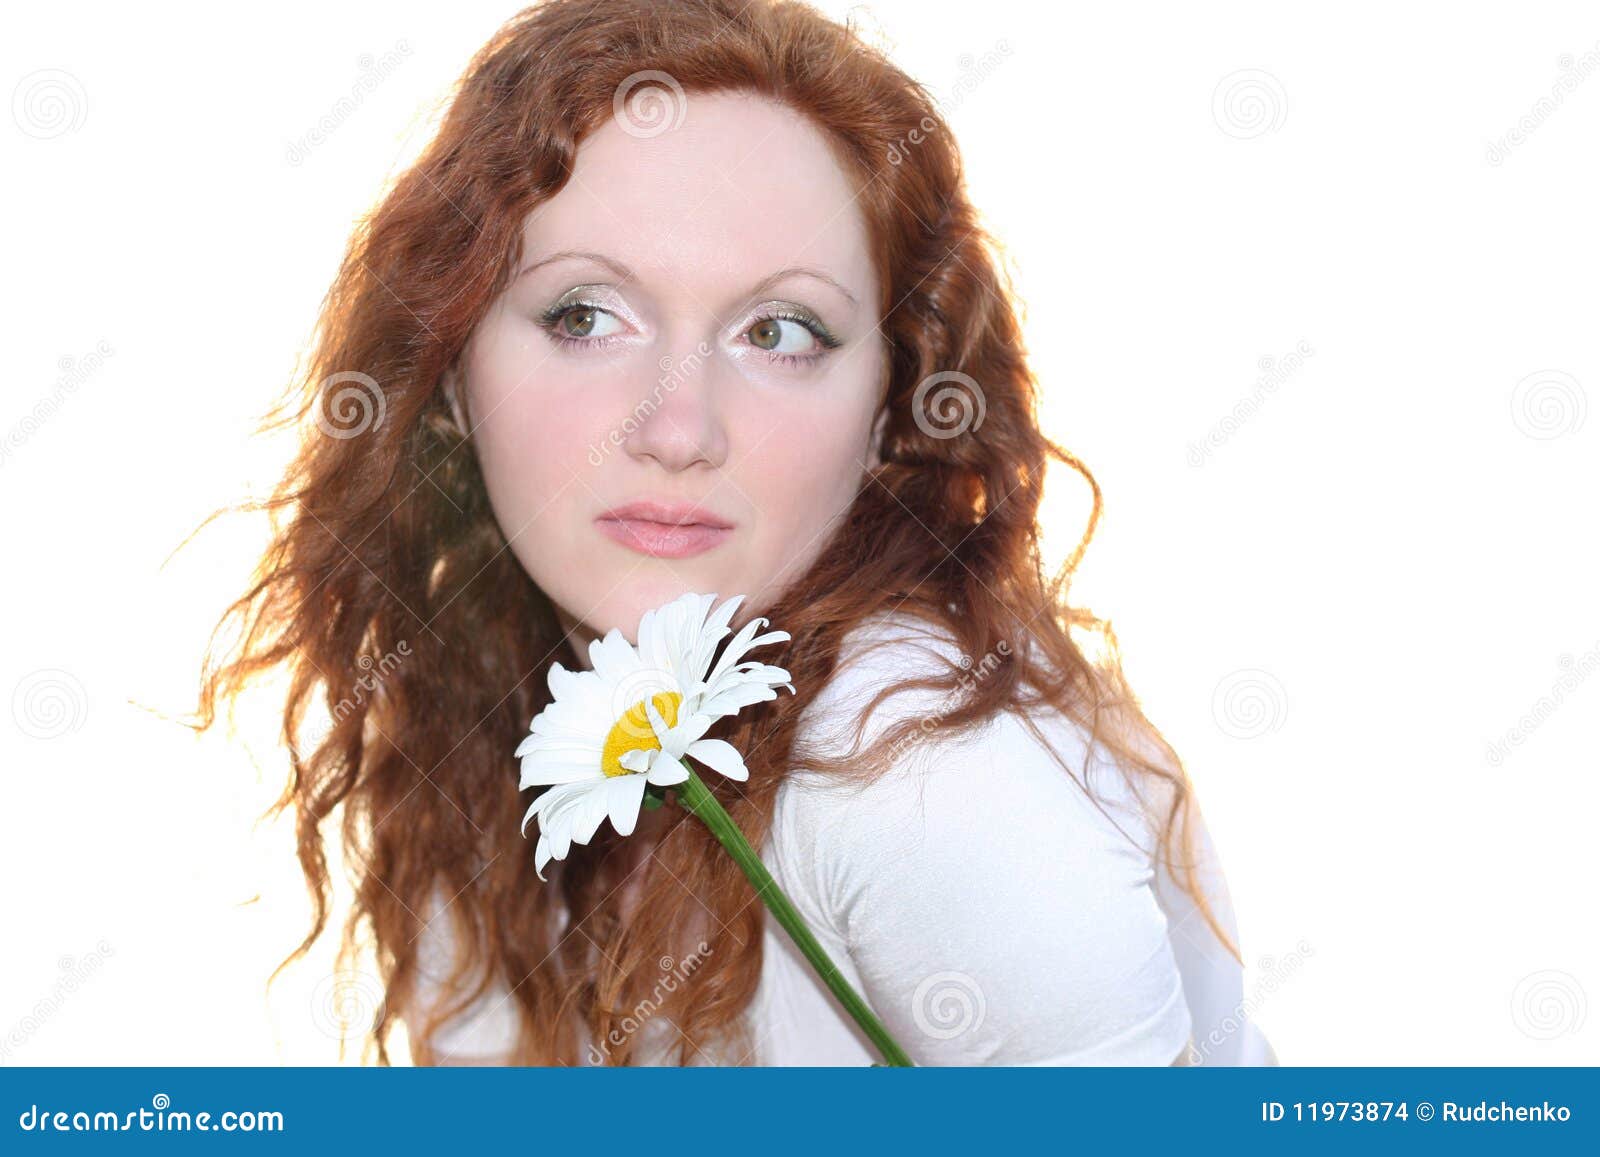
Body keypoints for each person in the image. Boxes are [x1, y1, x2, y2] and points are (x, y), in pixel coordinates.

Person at [191, 0, 1276, 1067]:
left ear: (890, 409)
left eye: (779, 331)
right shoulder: (483, 717)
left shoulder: (913, 768)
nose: (678, 428)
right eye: (584, 315)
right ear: (452, 377)